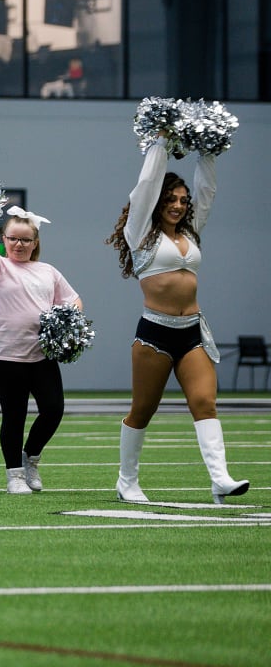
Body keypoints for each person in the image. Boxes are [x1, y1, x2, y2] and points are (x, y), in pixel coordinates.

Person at [106, 137, 249, 504]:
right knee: (142, 410)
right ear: (159, 201)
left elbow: (208, 191)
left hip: (192, 332)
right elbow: (145, 187)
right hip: (155, 333)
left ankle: (220, 478)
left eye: (183, 201)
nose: (179, 205)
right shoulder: (140, 232)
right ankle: (127, 481)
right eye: (171, 199)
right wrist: (162, 143)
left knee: (205, 402)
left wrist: (209, 150)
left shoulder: (189, 231)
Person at [0, 207, 81, 494]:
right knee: (14, 415)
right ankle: (15, 475)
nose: (19, 244)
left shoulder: (48, 272)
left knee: (53, 409)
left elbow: (73, 300)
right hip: (6, 355)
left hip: (41, 354)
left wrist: (69, 323)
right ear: (4, 240)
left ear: (35, 243)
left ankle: (31, 457)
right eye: (13, 239)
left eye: (25, 240)